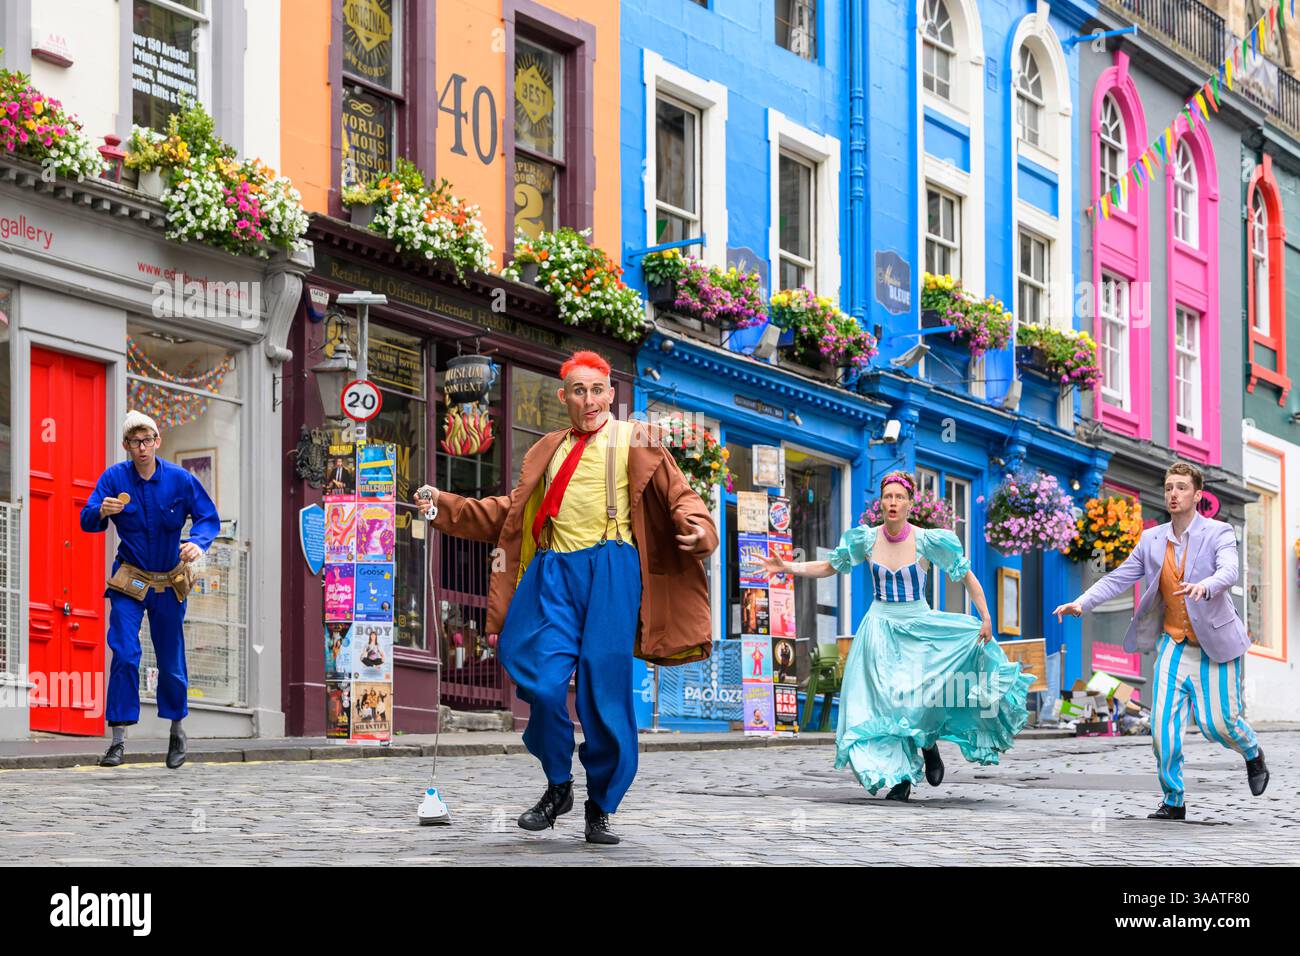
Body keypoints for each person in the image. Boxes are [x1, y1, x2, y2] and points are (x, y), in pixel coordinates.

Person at [416, 350, 717, 844]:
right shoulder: (547, 449)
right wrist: (444, 508)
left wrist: (701, 529)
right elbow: (507, 514)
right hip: (554, 569)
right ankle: (559, 783)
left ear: (611, 394)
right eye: (579, 391)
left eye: (597, 390)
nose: (589, 399)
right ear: (564, 398)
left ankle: (599, 803)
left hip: (612, 568)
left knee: (604, 693)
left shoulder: (636, 438)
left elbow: (681, 495)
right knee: (537, 675)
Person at [763, 471, 1031, 801]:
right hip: (878, 627)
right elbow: (831, 566)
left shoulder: (927, 540)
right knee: (884, 704)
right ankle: (901, 778)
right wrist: (789, 567)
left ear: (909, 504)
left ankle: (929, 745)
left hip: (917, 625)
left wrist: (986, 617)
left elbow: (966, 576)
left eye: (899, 497)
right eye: (887, 496)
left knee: (915, 699)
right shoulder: (865, 539)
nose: (892, 502)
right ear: (881, 503)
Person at [1053, 462, 1269, 820]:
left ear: (1198, 495)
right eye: (1169, 487)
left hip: (1215, 646)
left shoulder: (1219, 532)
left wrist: (1208, 585)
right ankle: (1174, 799)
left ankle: (1252, 752)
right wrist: (1082, 602)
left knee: (1219, 723)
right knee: (1162, 728)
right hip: (1174, 644)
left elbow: (1229, 570)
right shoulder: (1151, 539)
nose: (1173, 493)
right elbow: (1118, 578)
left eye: (1182, 487)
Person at [80, 411, 220, 769]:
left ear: (158, 442)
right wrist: (100, 511)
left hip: (169, 580)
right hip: (129, 579)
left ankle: (176, 729)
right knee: (125, 653)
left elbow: (207, 517)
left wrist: (198, 544)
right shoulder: (114, 477)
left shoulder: (180, 480)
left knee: (171, 659)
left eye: (147, 441)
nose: (141, 448)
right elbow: (86, 517)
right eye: (134, 442)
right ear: (126, 446)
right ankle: (118, 740)